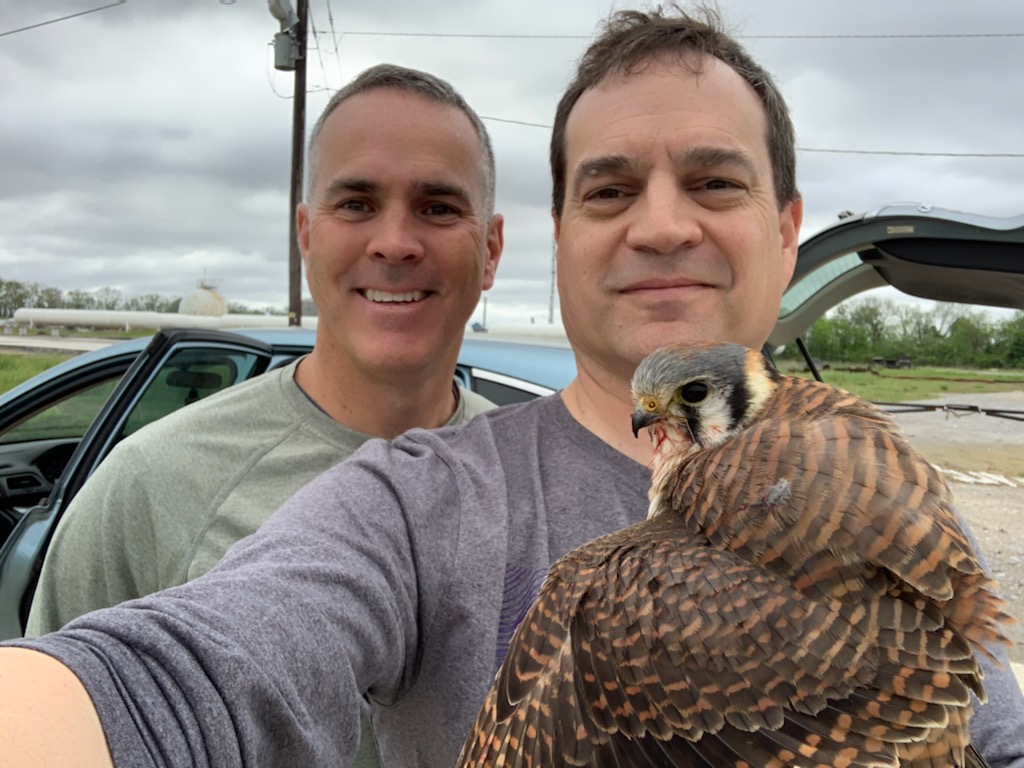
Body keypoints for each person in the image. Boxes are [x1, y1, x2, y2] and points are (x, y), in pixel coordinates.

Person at [2, 5, 1022, 767]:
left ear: (788, 230)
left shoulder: (886, 482)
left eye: (714, 181)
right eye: (610, 189)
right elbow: (193, 674)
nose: (663, 226)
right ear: (556, 239)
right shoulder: (417, 499)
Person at [21, 62, 504, 768]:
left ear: (490, 250)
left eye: (437, 207)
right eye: (357, 204)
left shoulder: (532, 479)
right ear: (306, 235)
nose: (395, 242)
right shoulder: (149, 485)